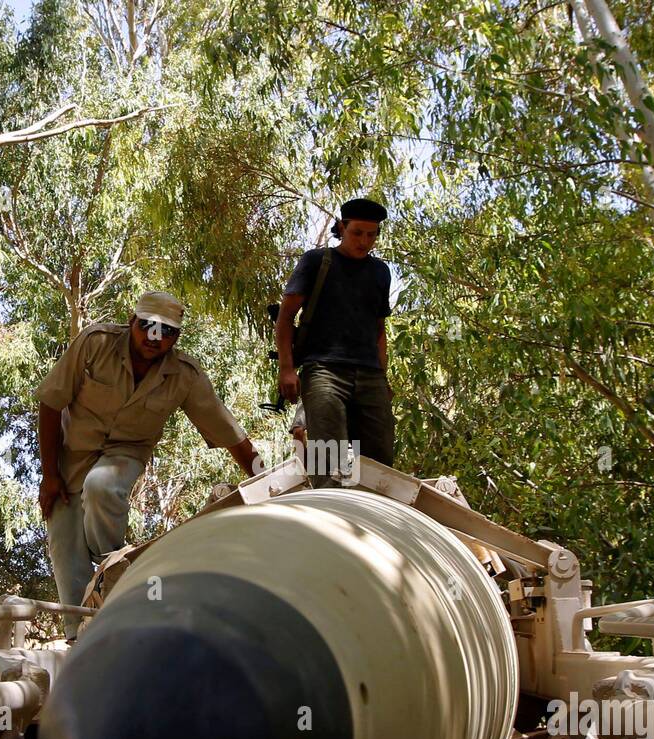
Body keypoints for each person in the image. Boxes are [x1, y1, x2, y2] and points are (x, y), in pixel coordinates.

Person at [37, 291, 261, 640]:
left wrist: (265, 478)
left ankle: (111, 566)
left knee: (102, 486)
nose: (155, 337)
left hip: (124, 454)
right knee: (65, 549)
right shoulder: (95, 344)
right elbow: (50, 403)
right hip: (70, 457)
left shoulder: (184, 376)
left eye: (167, 331)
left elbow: (229, 432)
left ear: (177, 337)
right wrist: (49, 476)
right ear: (132, 322)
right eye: (148, 326)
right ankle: (80, 638)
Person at [275, 197, 395, 487]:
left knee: (380, 460)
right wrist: (286, 369)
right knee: (327, 455)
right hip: (324, 369)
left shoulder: (380, 272)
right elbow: (285, 317)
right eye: (357, 233)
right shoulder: (317, 262)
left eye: (371, 235)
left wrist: (383, 375)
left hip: (369, 373)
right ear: (342, 227)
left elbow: (379, 330)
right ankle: (326, 509)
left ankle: (373, 517)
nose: (364, 241)